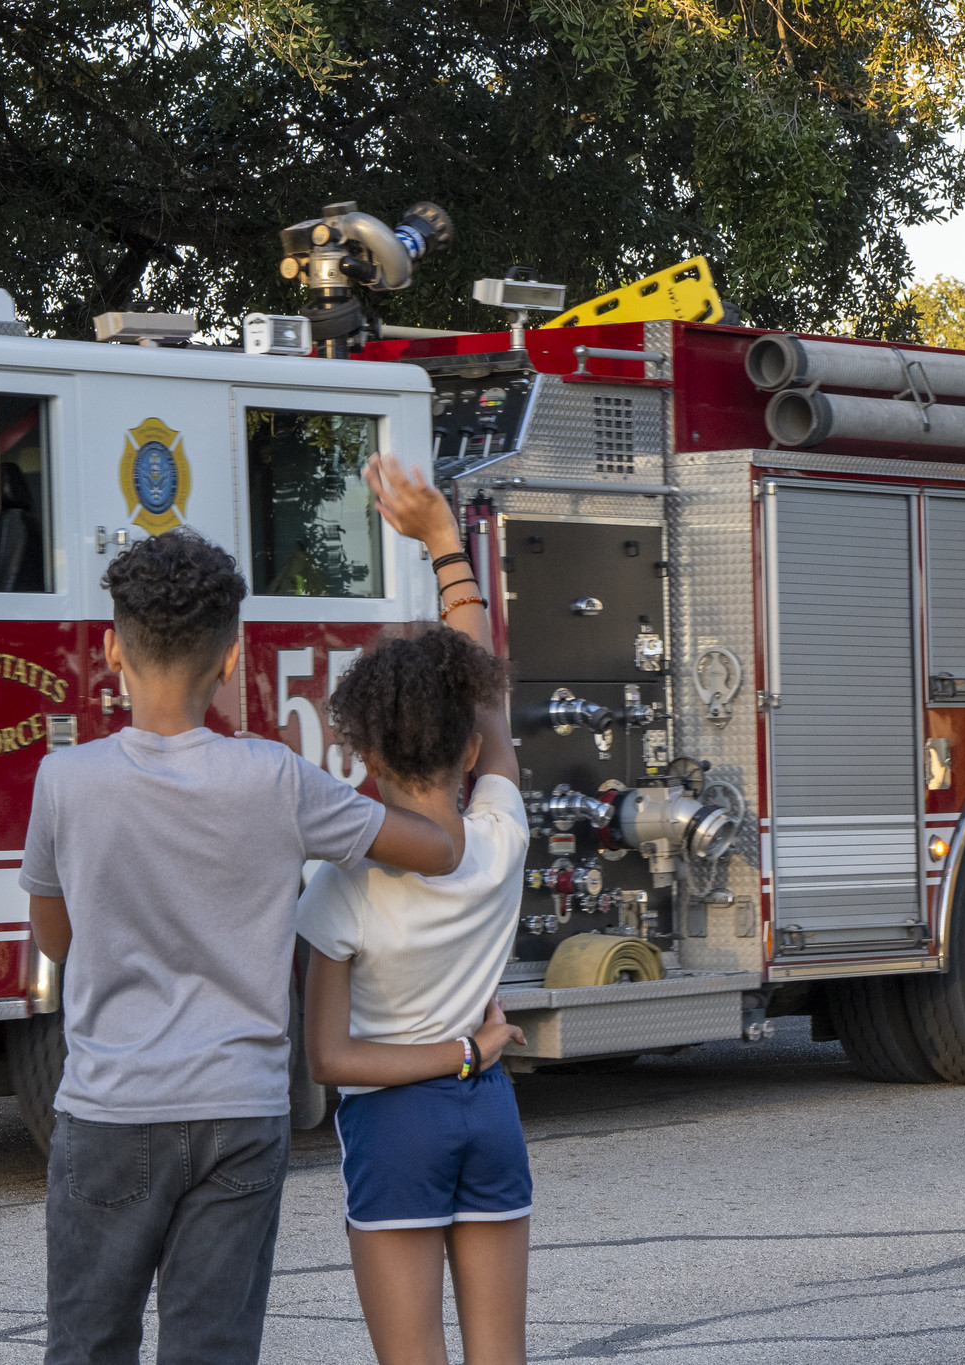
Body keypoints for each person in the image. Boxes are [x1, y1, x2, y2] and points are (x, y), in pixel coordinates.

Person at [19, 527, 461, 1365]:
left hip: (110, 1108)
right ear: (232, 659)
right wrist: (438, 774)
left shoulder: (63, 780)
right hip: (238, 1107)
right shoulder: (277, 777)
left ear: (112, 649)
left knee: (85, 1343)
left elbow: (55, 937)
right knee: (213, 1348)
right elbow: (435, 850)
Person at [298, 452, 531, 1365]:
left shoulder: (342, 886)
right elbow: (488, 699)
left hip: (396, 1123)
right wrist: (445, 545)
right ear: (468, 745)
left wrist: (456, 1050)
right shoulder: (498, 836)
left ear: (361, 749)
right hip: (491, 1111)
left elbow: (328, 1056)